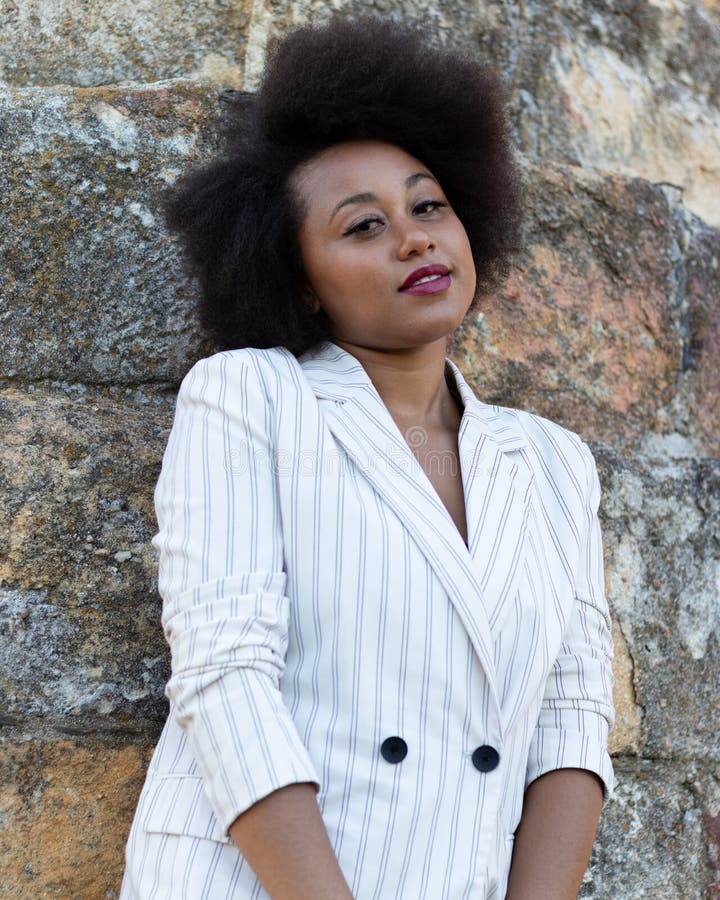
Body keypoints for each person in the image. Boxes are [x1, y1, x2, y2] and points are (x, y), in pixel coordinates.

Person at [120, 16, 614, 900]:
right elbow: (225, 678)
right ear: (299, 277)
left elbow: (571, 724)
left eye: (429, 207)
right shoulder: (250, 397)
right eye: (363, 227)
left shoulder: (552, 460)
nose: (415, 238)